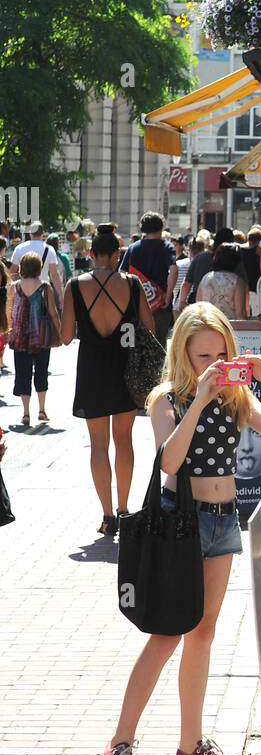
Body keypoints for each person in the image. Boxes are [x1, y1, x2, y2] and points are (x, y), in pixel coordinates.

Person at [100, 302, 261, 755]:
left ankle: (192, 744)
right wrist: (201, 401)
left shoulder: (237, 397)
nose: (211, 363)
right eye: (201, 354)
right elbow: (169, 462)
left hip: (224, 524)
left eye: (220, 353)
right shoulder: (165, 399)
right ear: (182, 353)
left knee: (203, 634)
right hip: (180, 525)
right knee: (167, 633)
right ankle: (119, 743)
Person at [61, 223, 157, 536]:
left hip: (92, 370)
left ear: (90, 254)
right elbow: (150, 331)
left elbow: (64, 337)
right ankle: (124, 509)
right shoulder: (131, 284)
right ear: (118, 254)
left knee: (98, 444)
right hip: (125, 367)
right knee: (124, 440)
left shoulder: (75, 286)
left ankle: (106, 516)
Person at [8, 250, 61, 426]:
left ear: (22, 267)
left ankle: (25, 413)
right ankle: (42, 410)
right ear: (39, 268)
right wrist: (59, 333)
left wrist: (8, 330)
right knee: (41, 372)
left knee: (22, 373)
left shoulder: (14, 287)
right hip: (42, 337)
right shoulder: (45, 287)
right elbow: (53, 313)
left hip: (20, 337)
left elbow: (9, 312)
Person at [119, 212, 177, 350]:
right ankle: (157, 371)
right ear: (161, 227)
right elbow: (173, 270)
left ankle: (138, 370)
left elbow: (122, 273)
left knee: (137, 343)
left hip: (137, 303)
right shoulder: (167, 247)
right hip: (160, 304)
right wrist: (168, 296)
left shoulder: (133, 248)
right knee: (159, 343)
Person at [178, 226, 235, 310]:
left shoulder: (200, 257)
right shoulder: (236, 259)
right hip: (228, 306)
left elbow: (187, 283)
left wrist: (182, 302)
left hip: (201, 305)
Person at [9, 222, 64, 303]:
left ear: (30, 233)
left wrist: (15, 291)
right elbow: (54, 275)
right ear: (42, 233)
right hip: (43, 291)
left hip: (23, 292)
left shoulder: (19, 248)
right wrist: (60, 294)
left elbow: (12, 272)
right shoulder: (49, 249)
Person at [196, 244, 249, 320]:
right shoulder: (237, 281)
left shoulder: (205, 279)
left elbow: (198, 308)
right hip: (228, 327)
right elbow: (240, 313)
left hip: (209, 325)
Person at [241, 226, 261, 316]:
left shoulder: (240, 248)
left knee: (245, 303)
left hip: (243, 277)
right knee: (256, 304)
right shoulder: (256, 249)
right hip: (255, 277)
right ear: (258, 240)